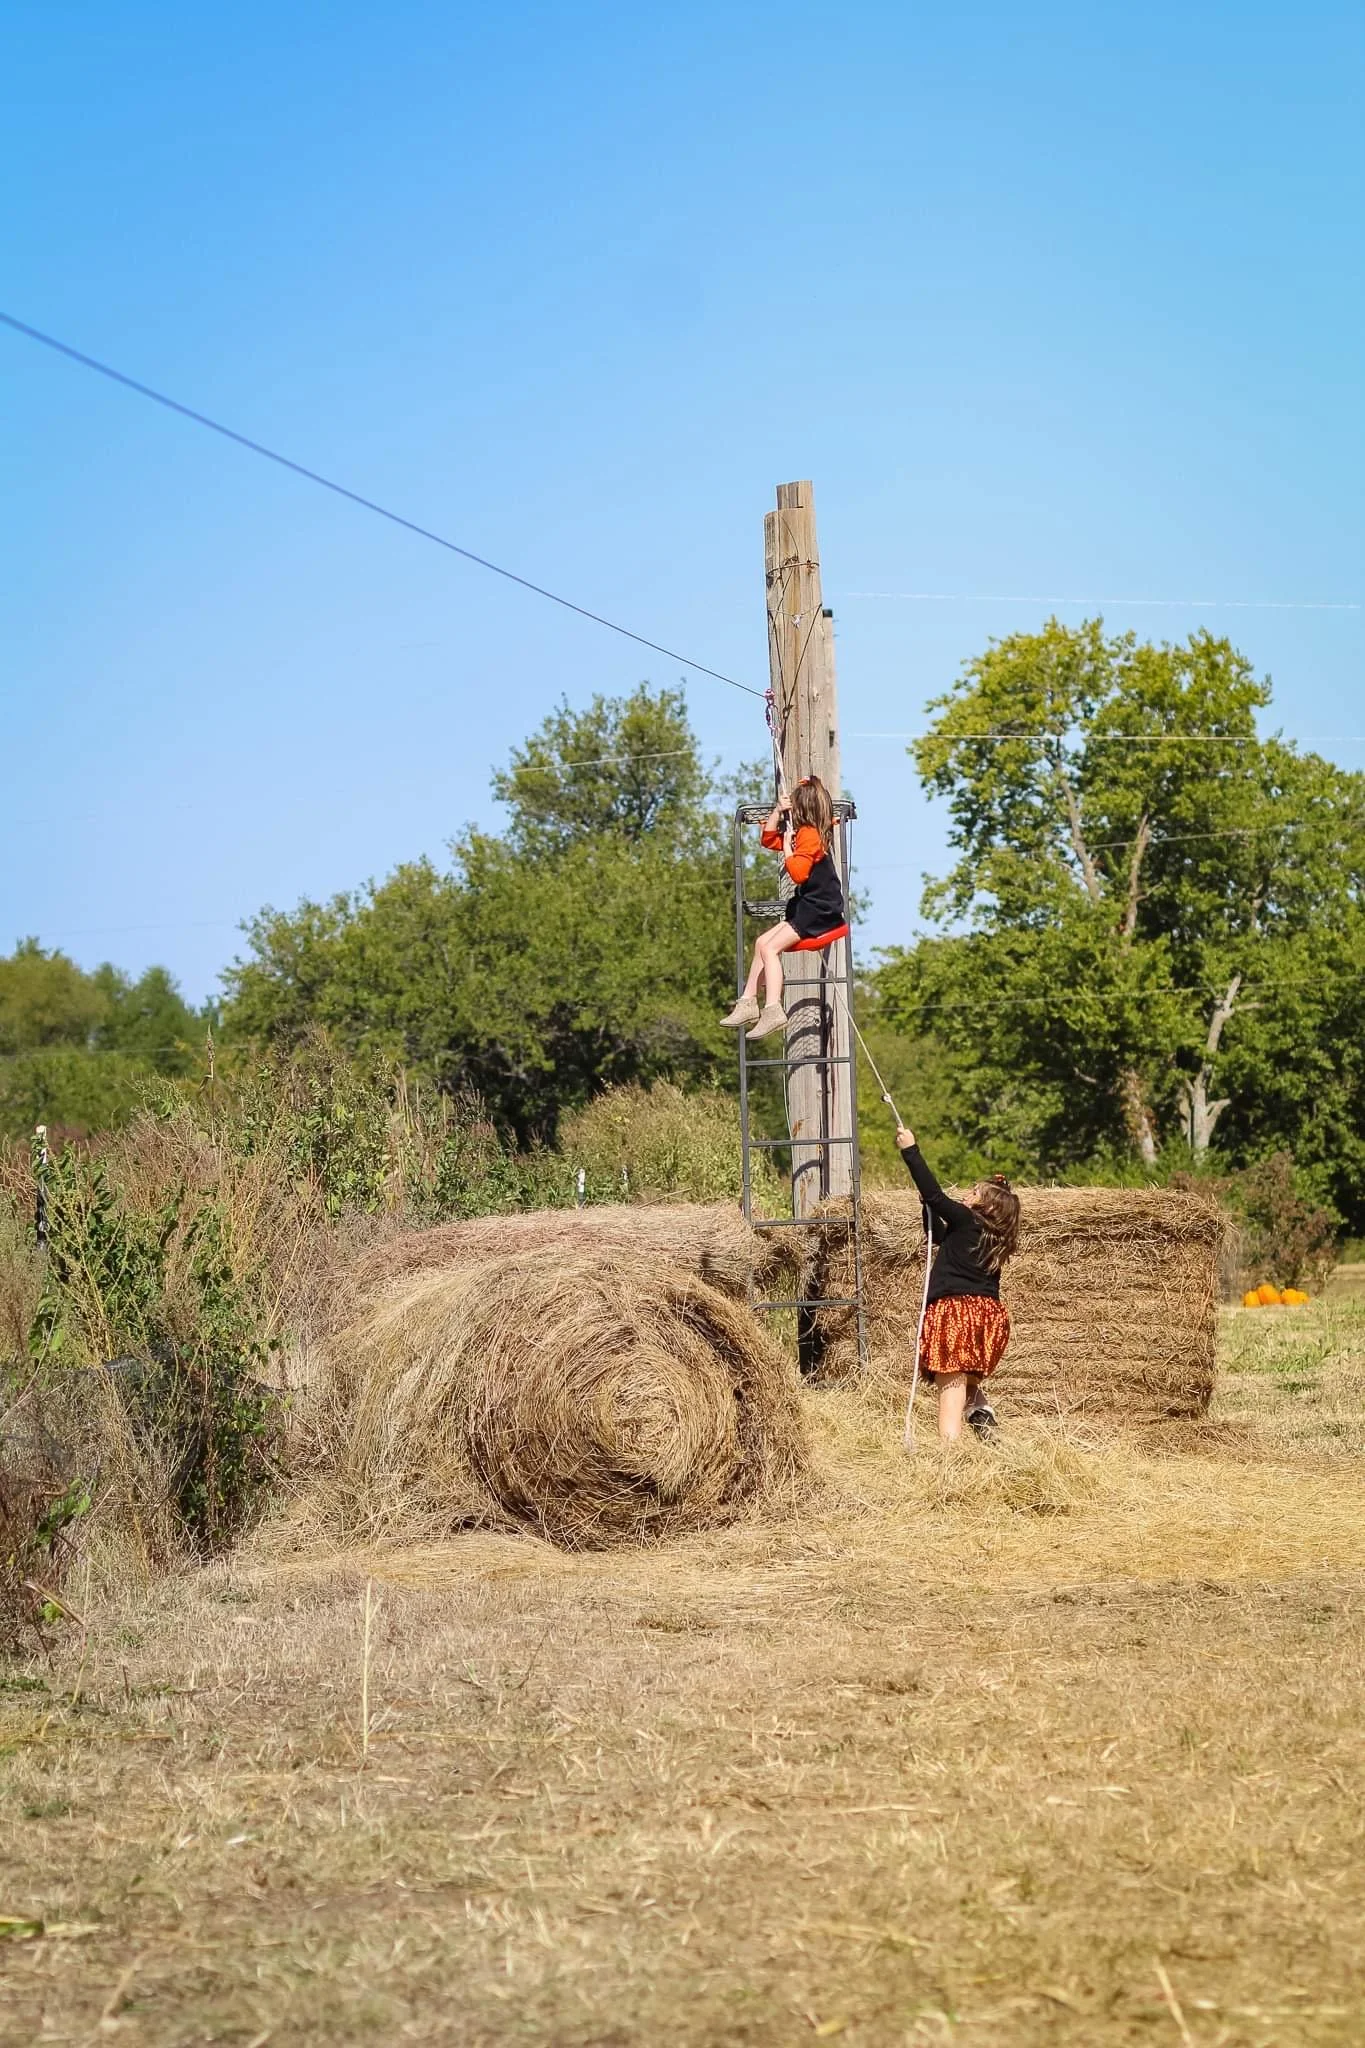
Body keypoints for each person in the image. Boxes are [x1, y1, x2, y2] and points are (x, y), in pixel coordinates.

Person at [895, 1128, 1021, 1443]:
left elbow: (937, 1196)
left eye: (974, 1192)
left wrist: (910, 1151)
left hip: (958, 1314)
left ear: (986, 1206)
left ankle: (948, 1457)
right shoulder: (991, 1236)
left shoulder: (967, 1220)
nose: (967, 1194)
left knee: (950, 1387)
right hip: (987, 1317)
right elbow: (939, 1236)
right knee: (963, 1381)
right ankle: (981, 1411)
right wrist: (926, 1206)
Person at [720, 775, 846, 1041]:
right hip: (807, 906)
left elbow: (799, 873)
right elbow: (768, 841)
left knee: (770, 948)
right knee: (761, 942)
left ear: (801, 809)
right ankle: (748, 1001)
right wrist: (777, 814)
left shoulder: (810, 835)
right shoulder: (802, 833)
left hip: (820, 910)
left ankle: (773, 1009)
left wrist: (789, 850)